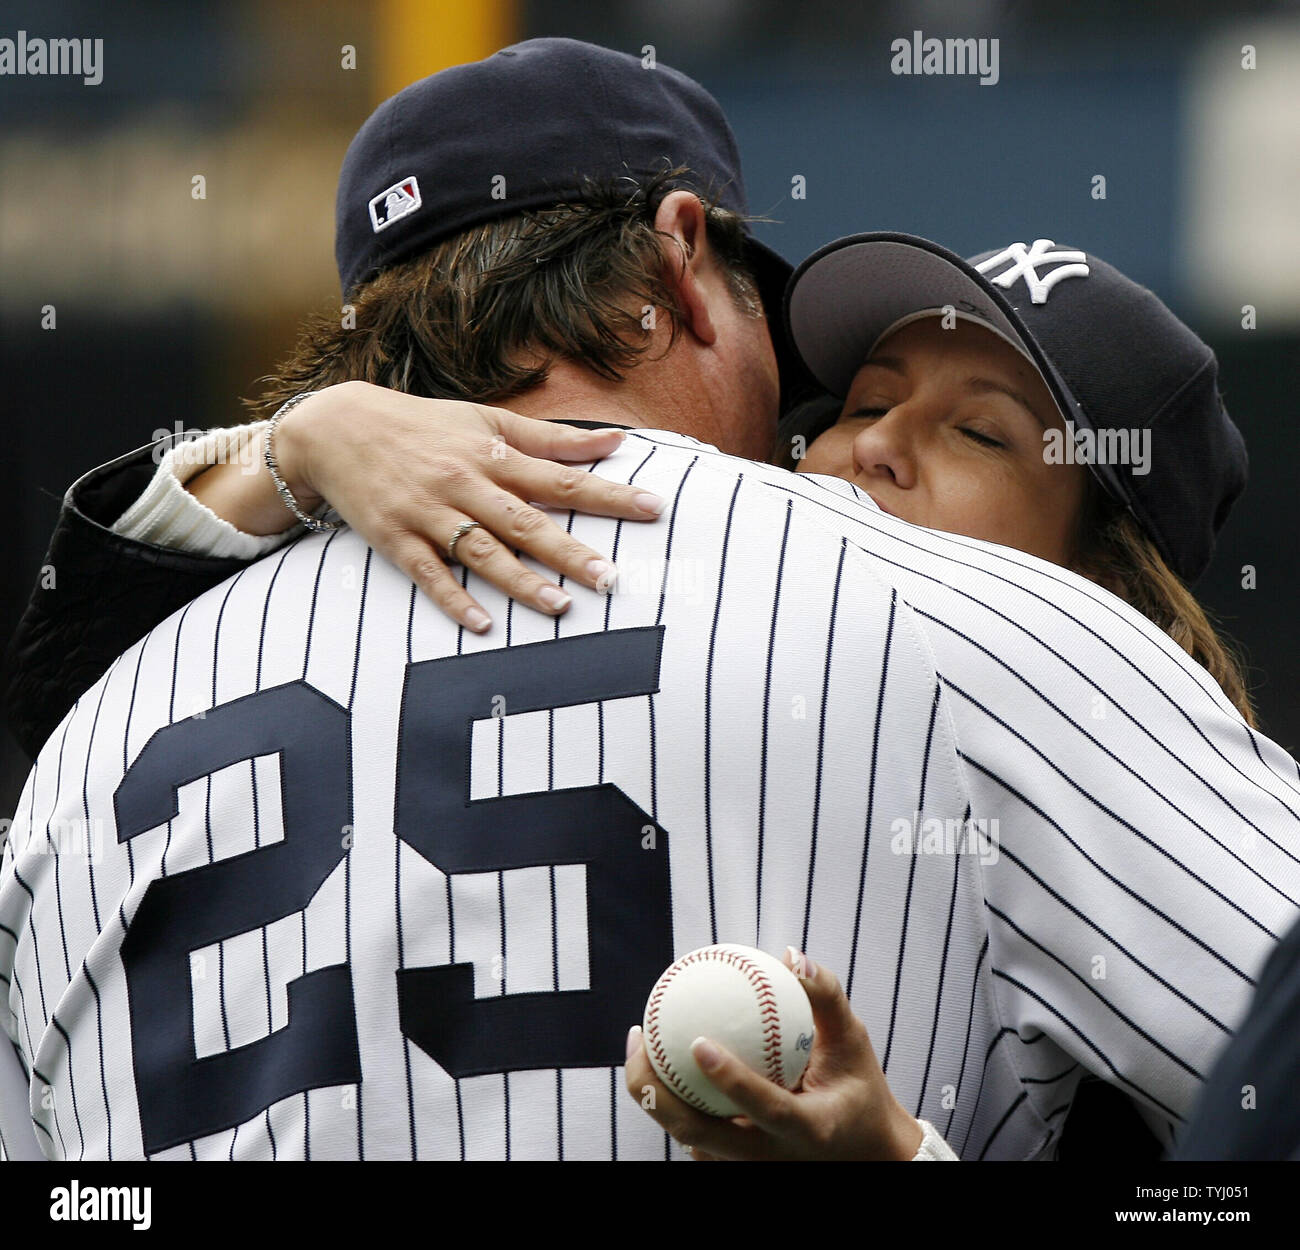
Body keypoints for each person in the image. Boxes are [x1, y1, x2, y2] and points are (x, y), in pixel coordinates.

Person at [3, 39, 1297, 1162]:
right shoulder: (958, 618)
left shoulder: (85, 755)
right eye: (829, 381)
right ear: (685, 260)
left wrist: (286, 444)